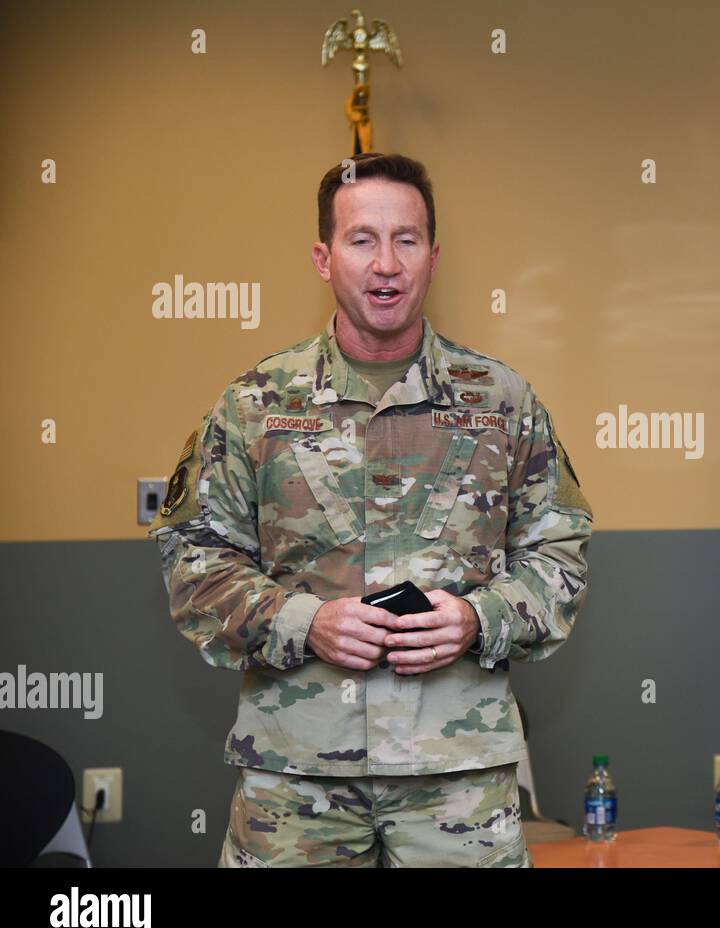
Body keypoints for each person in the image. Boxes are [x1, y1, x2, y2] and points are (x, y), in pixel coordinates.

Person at [148, 152, 593, 867]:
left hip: (457, 781)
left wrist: (480, 618)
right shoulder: (255, 405)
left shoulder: (501, 401)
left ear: (434, 256)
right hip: (296, 780)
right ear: (324, 258)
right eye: (362, 239)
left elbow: (559, 555)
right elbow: (194, 562)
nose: (386, 263)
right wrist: (305, 622)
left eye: (406, 239)